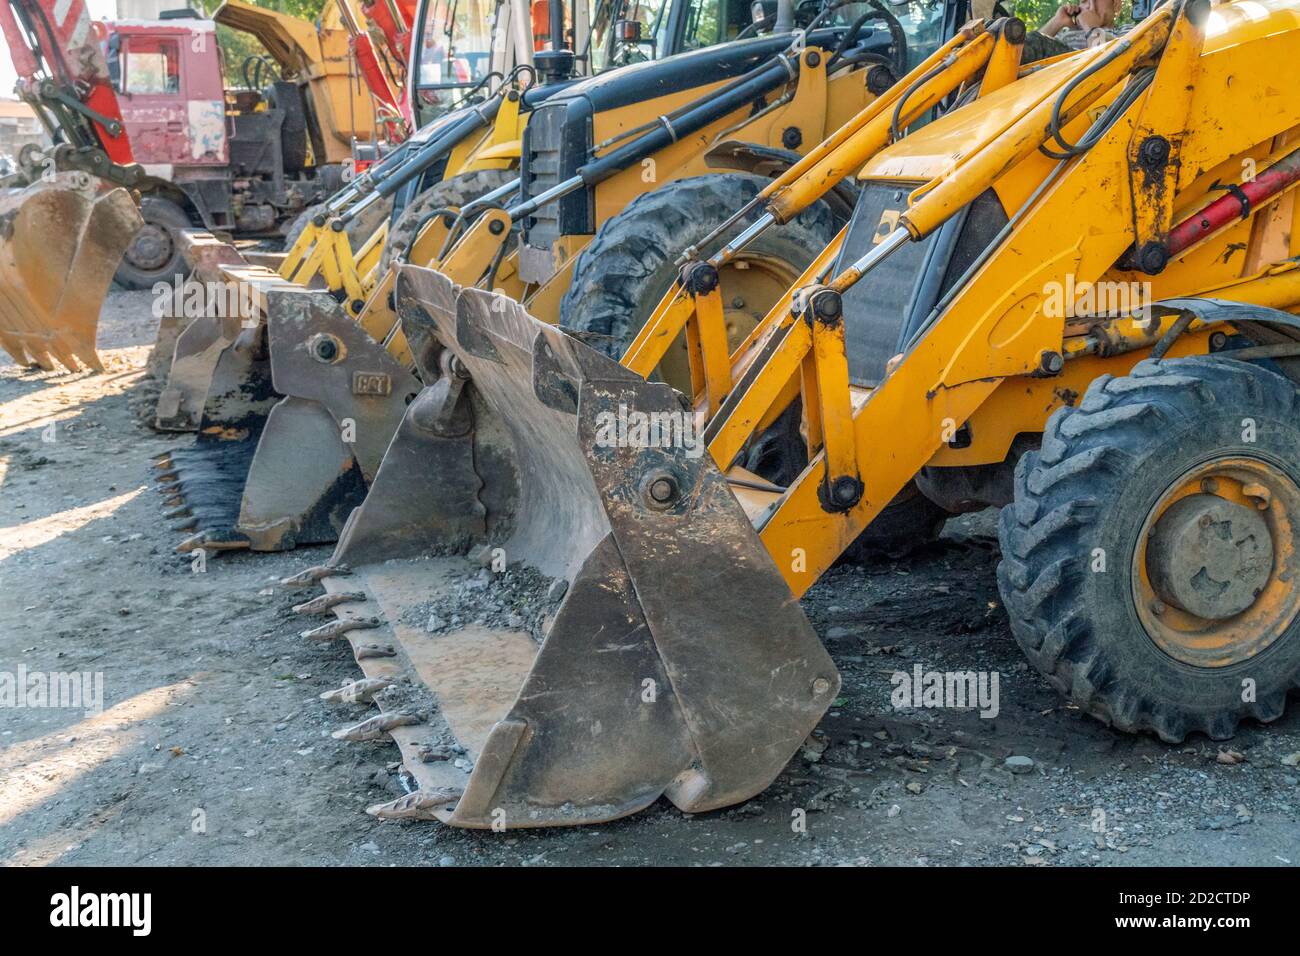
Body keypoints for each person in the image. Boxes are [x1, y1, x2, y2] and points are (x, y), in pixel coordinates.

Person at [1038, 0, 1123, 49]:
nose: (1090, 6)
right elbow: (1028, 50)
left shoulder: (1126, 32)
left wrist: (1091, 27)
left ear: (1116, 4)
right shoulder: (1064, 34)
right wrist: (1056, 21)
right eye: (1084, 0)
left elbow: (1107, 62)